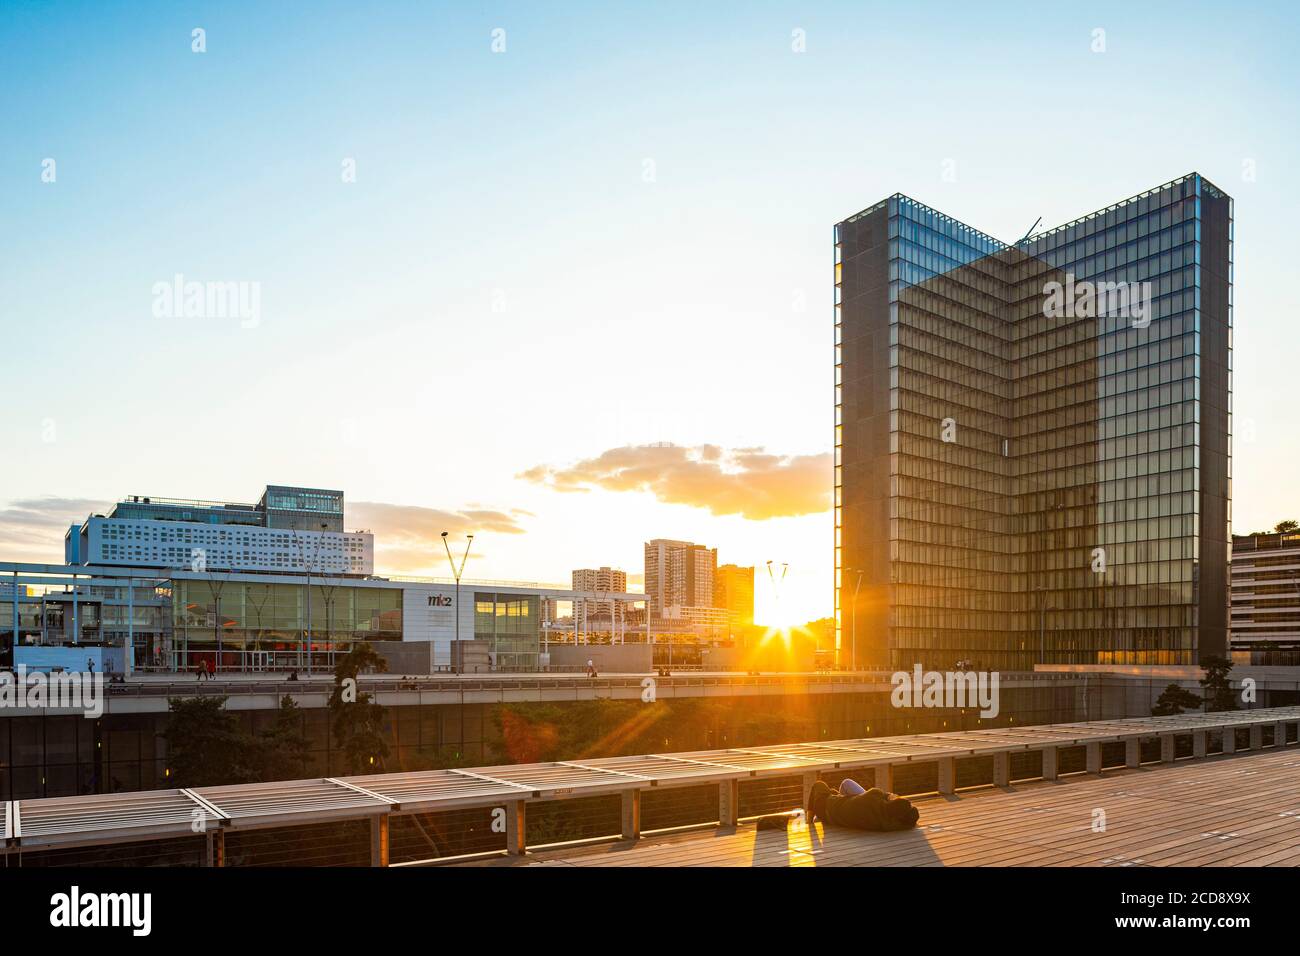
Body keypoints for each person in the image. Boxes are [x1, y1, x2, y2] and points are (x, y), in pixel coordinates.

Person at [806, 780, 919, 832]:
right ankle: (817, 817)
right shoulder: (889, 824)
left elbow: (886, 794)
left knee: (819, 785)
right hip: (837, 816)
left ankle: (809, 822)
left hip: (826, 807)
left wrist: (892, 796)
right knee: (832, 791)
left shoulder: (874, 796)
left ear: (894, 803)